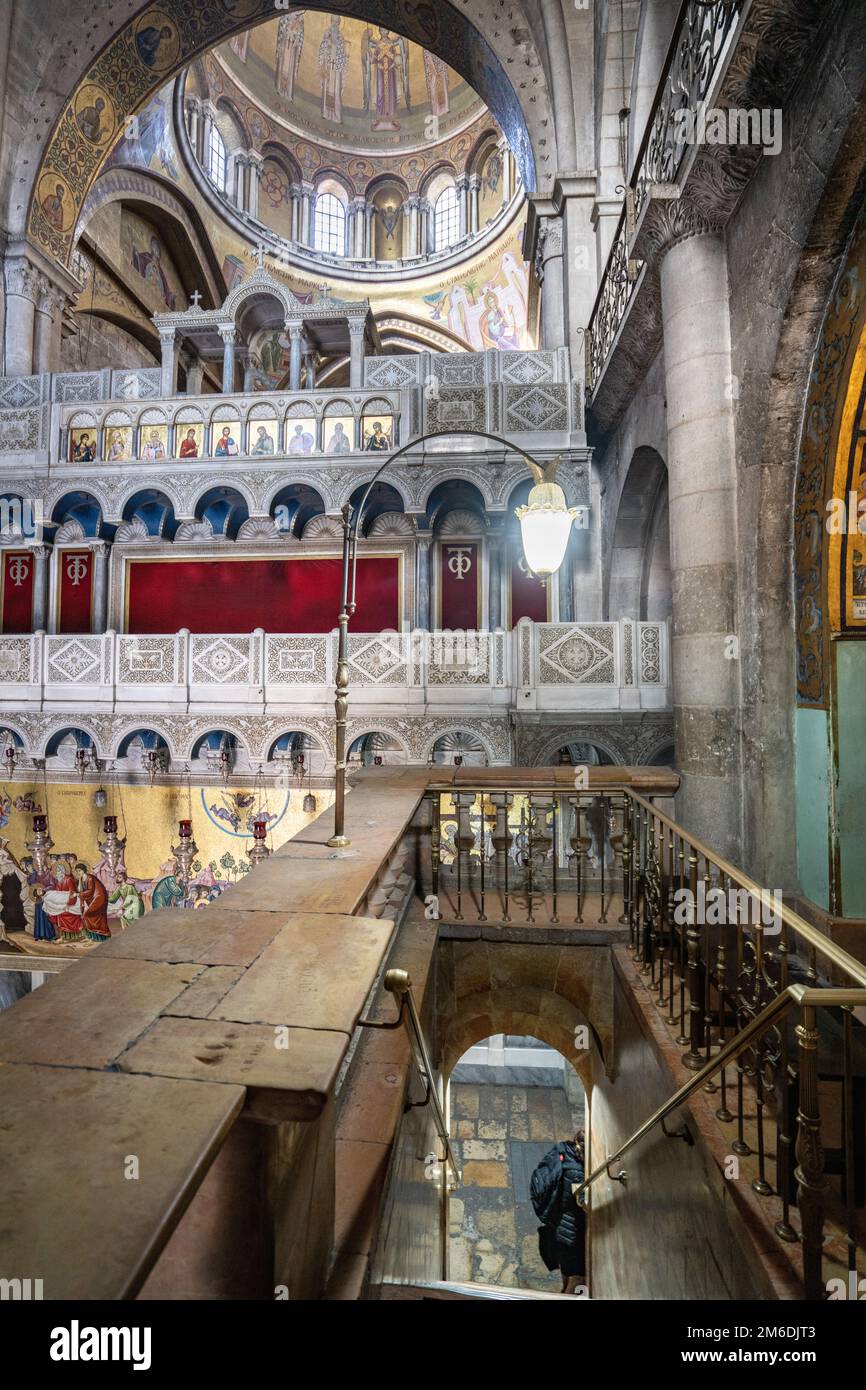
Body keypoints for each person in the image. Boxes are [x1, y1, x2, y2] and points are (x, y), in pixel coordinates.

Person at [531, 1129, 587, 1294]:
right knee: (579, 1280)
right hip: (572, 1235)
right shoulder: (580, 1172)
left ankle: (563, 1290)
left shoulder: (563, 1150)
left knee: (567, 1273)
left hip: (557, 1225)